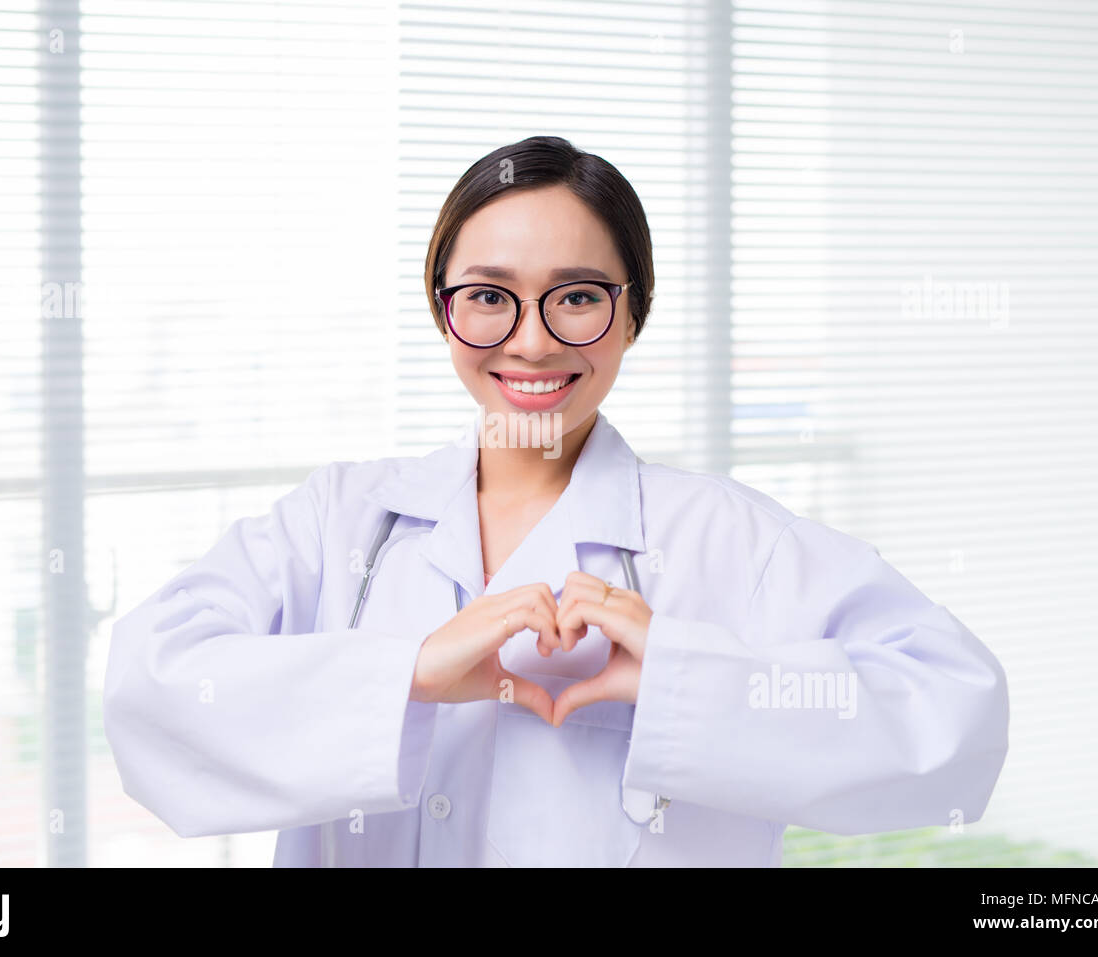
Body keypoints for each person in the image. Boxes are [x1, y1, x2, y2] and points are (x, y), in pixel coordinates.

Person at [103, 135, 1009, 867]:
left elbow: (956, 716)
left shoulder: (734, 544)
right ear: (442, 307)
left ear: (635, 308)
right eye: (490, 297)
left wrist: (690, 680)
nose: (531, 343)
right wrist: (407, 674)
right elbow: (150, 685)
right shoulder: (342, 520)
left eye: (577, 297)